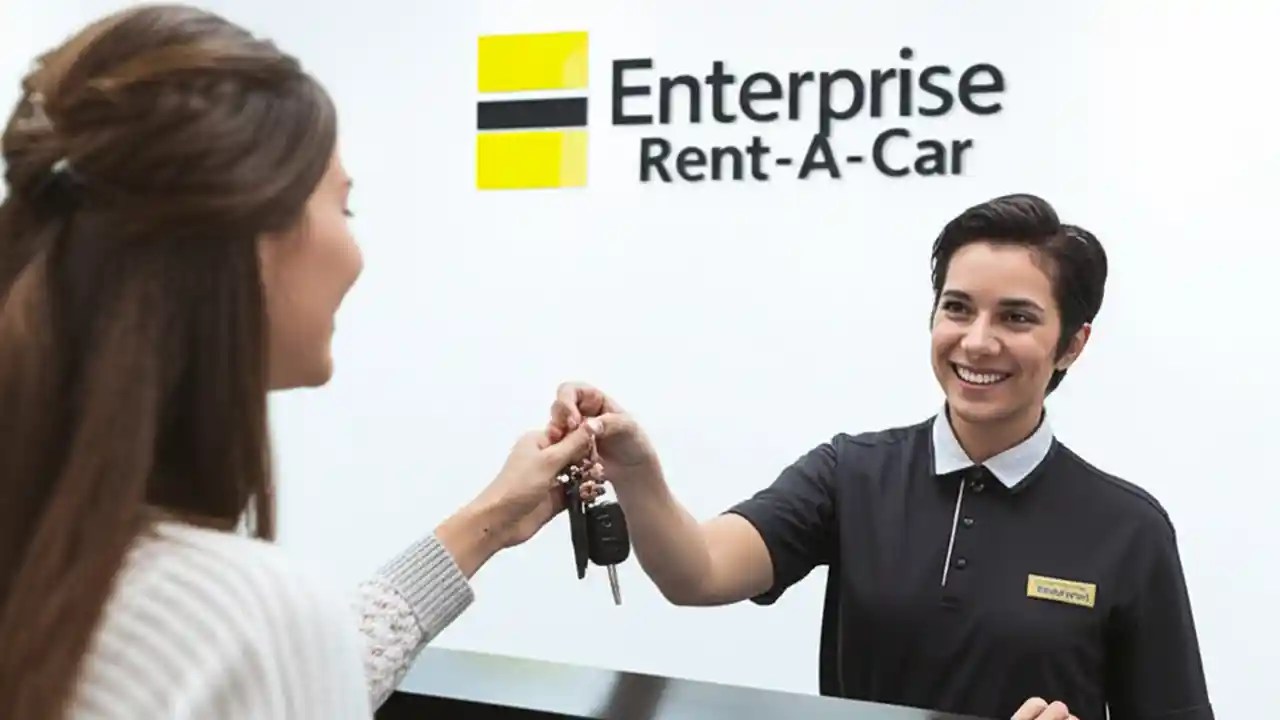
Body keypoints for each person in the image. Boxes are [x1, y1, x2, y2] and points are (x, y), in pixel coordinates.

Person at [0, 6, 599, 719]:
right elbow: (262, 664)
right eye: (343, 208)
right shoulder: (241, 621)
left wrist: (491, 520)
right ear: (253, 238)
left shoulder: (57, 567)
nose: (356, 253)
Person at [551, 194, 1214, 720]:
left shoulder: (1128, 529)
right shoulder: (851, 475)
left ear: (1072, 344)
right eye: (957, 308)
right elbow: (696, 573)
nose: (977, 342)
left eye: (1016, 318)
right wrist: (635, 470)